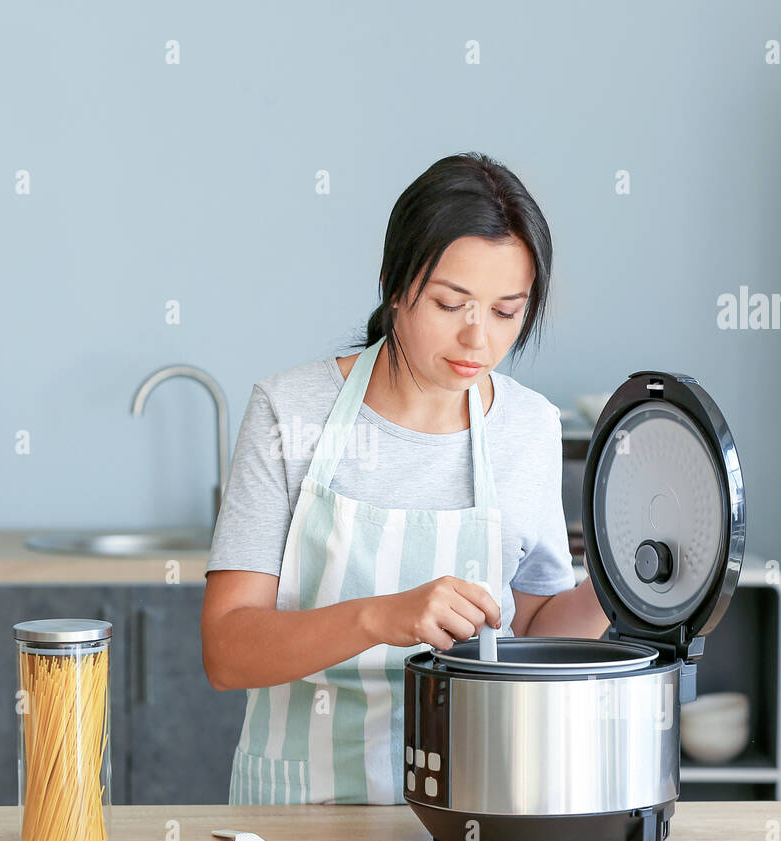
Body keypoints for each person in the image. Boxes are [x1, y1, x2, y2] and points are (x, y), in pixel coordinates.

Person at [201, 151, 610, 806]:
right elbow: (227, 648)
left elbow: (531, 632)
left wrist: (621, 590)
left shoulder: (529, 427)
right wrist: (383, 615)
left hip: (474, 805)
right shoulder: (290, 411)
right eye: (452, 303)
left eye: (507, 311)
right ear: (395, 284)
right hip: (298, 816)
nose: (477, 338)